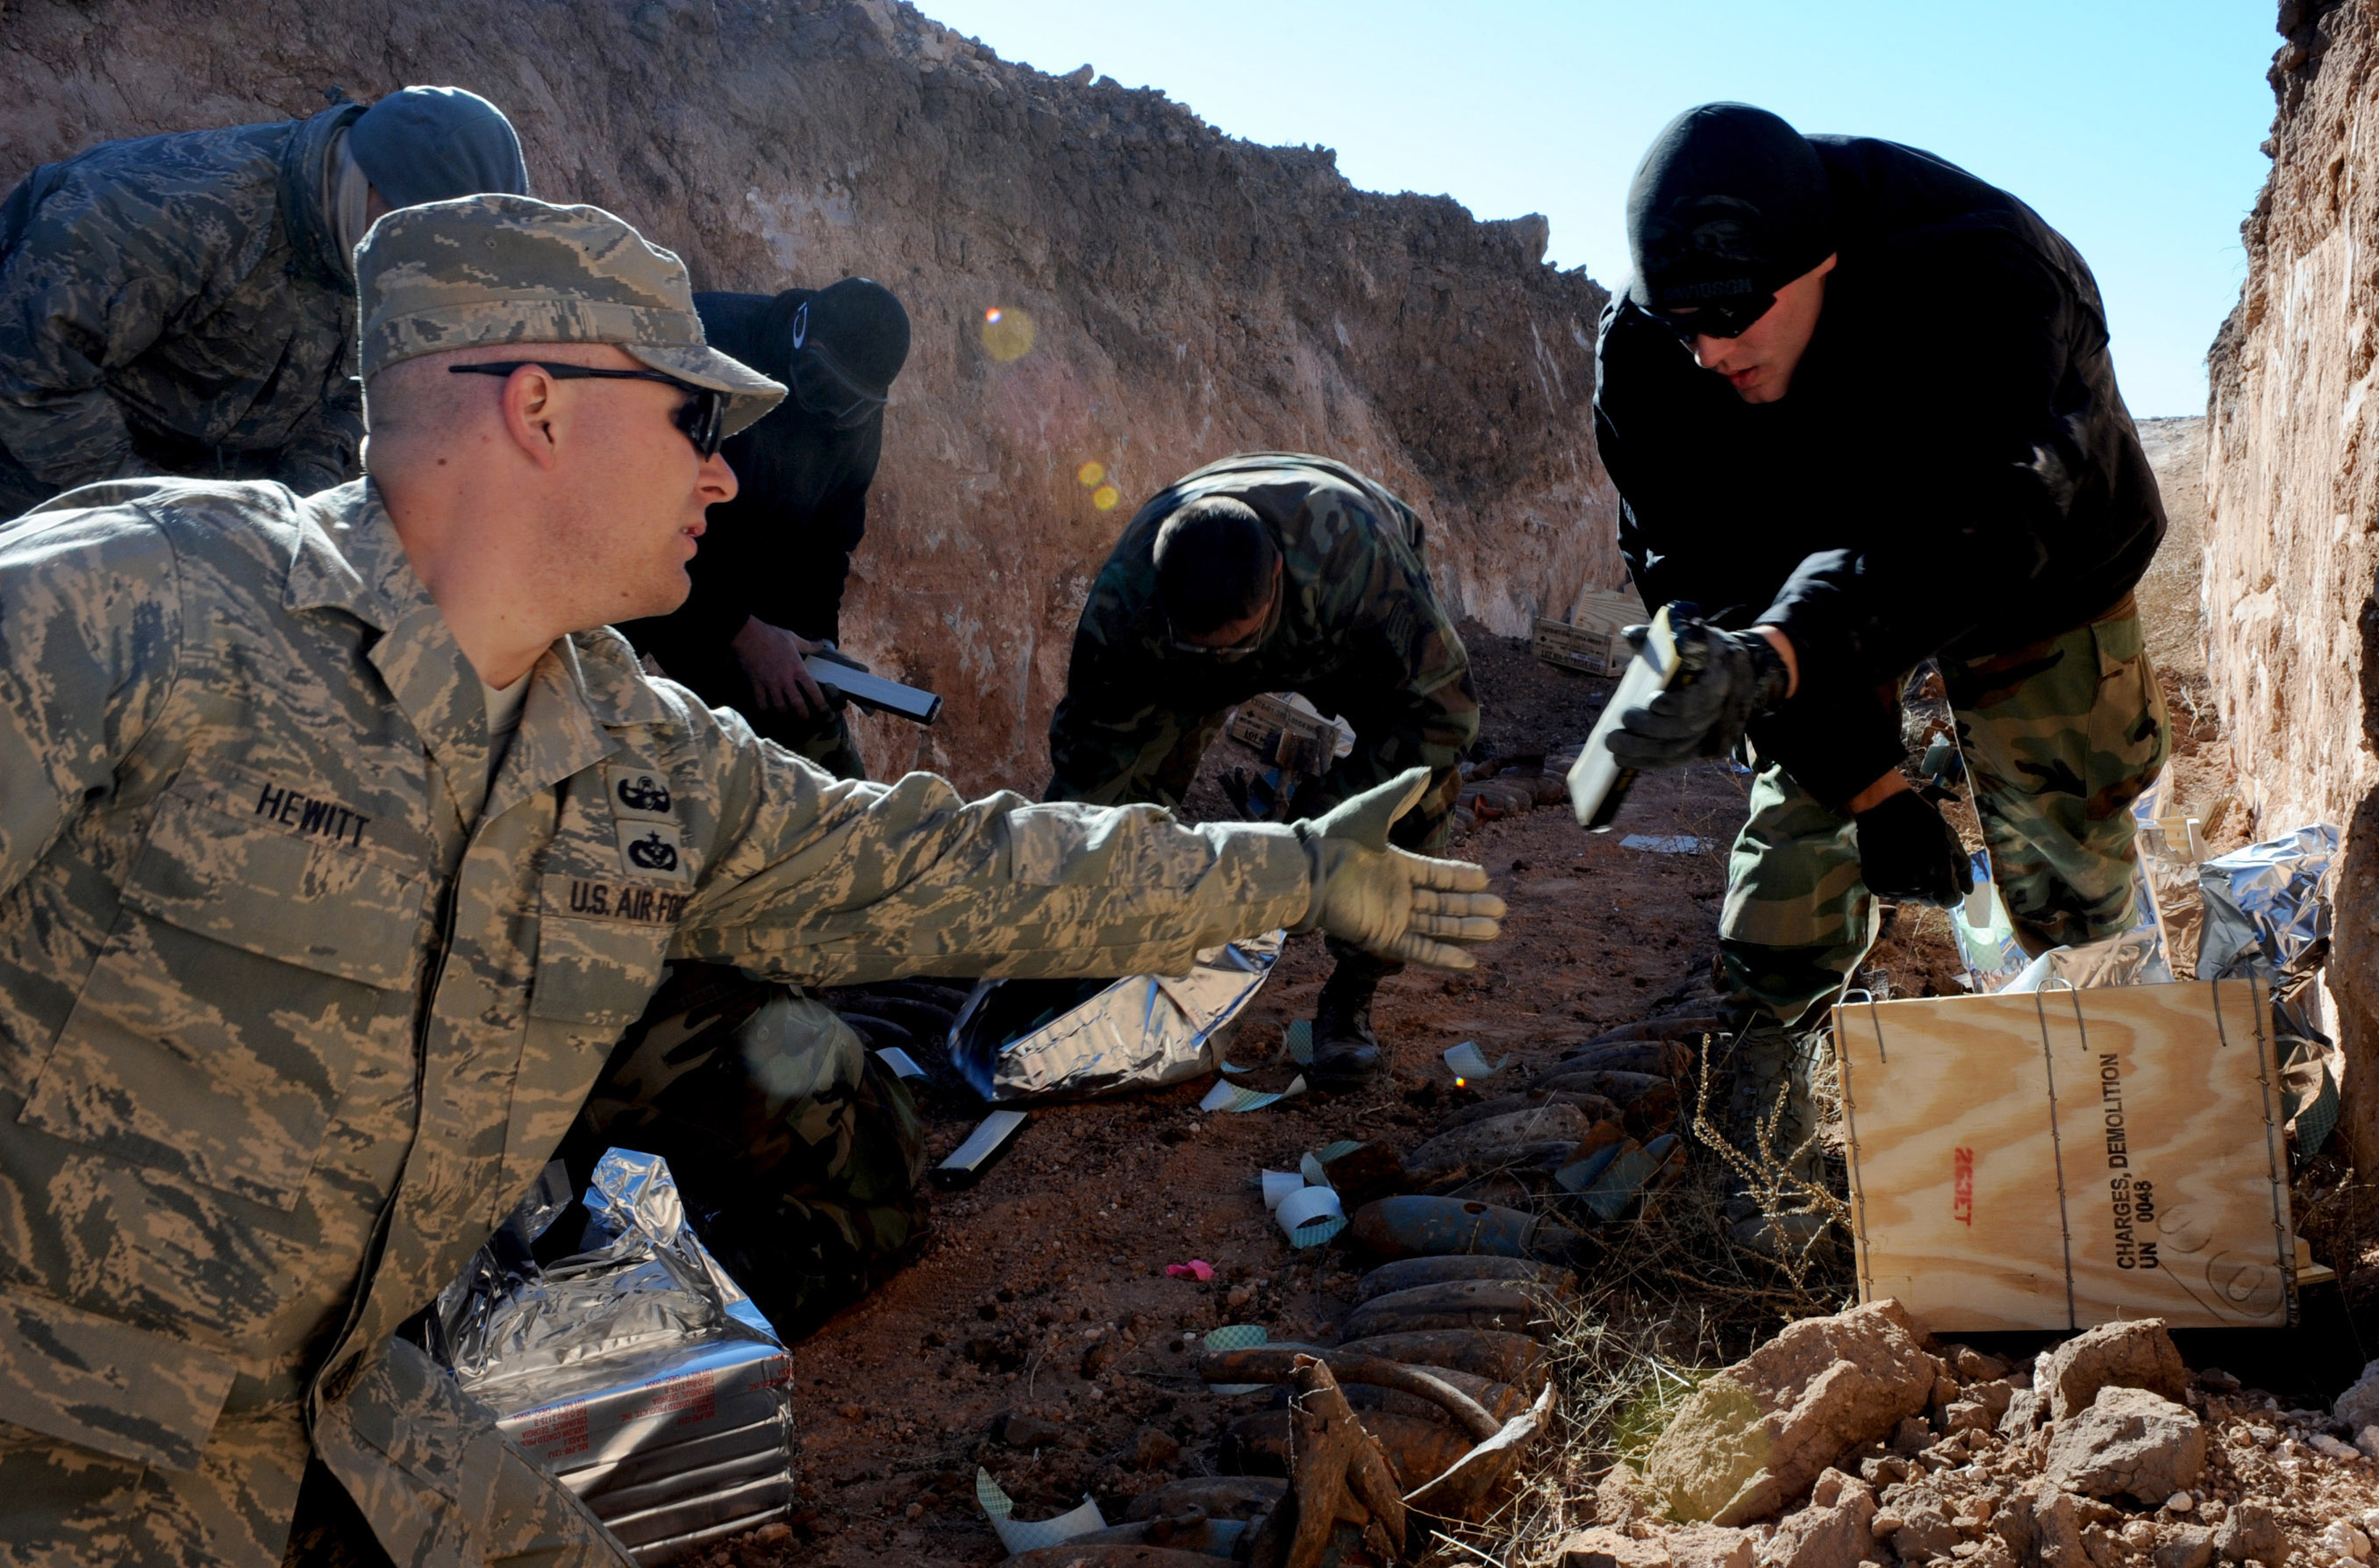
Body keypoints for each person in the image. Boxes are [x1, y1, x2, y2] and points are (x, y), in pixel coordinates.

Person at [0, 194, 1503, 1566]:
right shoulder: (135, 610)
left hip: (332, 1425)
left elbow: (944, 862)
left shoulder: (635, 747)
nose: (727, 470)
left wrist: (1296, 867)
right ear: (535, 407)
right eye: (692, 415)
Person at [1591, 103, 2168, 1222]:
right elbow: (1699, 576)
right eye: (1680, 322)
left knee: (2066, 838)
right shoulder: (1653, 360)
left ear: (1823, 265)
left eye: (1734, 314)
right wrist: (1862, 779)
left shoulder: (1983, 273)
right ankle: (1760, 1130)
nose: (1708, 349)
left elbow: (1980, 532)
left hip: (2034, 556)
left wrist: (1788, 645)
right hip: (1814, 582)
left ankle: (2113, 1123)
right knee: (1795, 824)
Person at [1046, 453, 1481, 1087]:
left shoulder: (1360, 566)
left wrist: (1325, 820)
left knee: (1414, 800)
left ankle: (1351, 998)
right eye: (1206, 650)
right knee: (1127, 805)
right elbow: (1090, 776)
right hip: (1184, 650)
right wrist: (1053, 922)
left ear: (1276, 574)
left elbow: (1446, 721)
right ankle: (1112, 969)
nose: (1229, 664)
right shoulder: (1127, 604)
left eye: (1240, 646)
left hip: (1337, 631)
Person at [0, 85, 530, 516]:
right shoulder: (162, 209)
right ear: (372, 190)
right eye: (437, 246)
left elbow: (358, 387)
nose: (440, 274)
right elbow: (32, 381)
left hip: (210, 477)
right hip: (47, 456)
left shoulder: (390, 248)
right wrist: (156, 524)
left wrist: (303, 500)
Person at [619, 278, 909, 780]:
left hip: (734, 605)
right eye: (821, 386)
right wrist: (741, 632)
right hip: (632, 582)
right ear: (799, 335)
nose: (830, 412)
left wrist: (814, 653)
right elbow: (629, 517)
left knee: (828, 779)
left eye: (852, 404)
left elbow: (828, 544)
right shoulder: (708, 341)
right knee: (591, 728)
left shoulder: (854, 408)